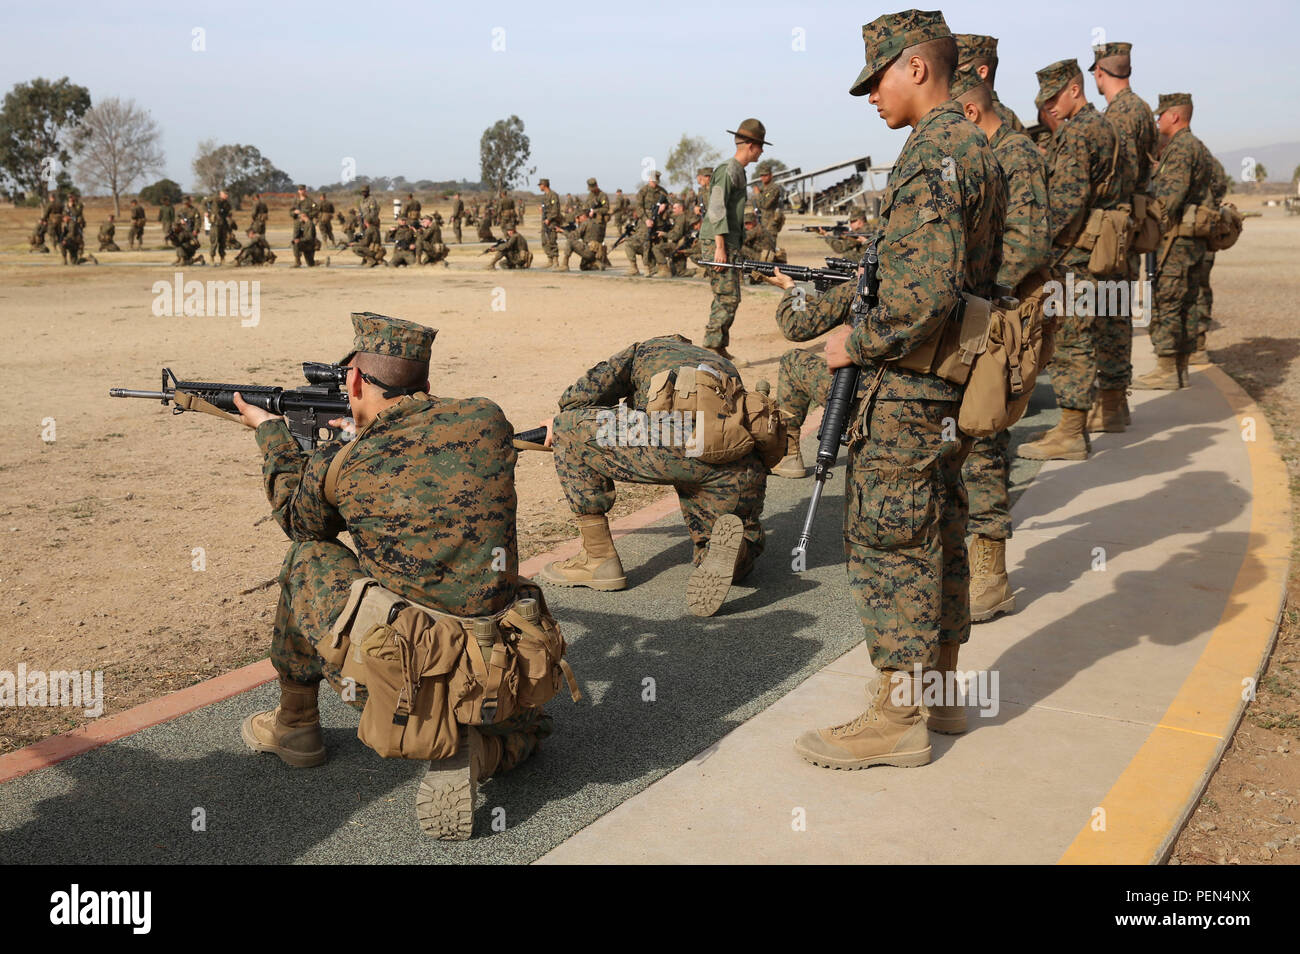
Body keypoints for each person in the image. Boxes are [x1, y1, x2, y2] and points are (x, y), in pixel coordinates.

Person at [232, 312, 552, 839]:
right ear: (425, 380)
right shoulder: (487, 419)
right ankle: (480, 750)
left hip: (402, 675)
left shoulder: (344, 463)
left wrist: (272, 434)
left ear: (354, 381)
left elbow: (299, 523)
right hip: (501, 666)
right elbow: (425, 458)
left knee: (307, 559)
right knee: (536, 726)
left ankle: (296, 727)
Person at [794, 10, 1004, 770]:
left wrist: (855, 341)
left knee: (892, 540)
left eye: (876, 79)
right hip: (948, 386)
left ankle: (899, 714)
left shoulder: (931, 155)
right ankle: (941, 692)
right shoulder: (972, 146)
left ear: (917, 68)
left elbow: (921, 299)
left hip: (912, 389)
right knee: (938, 529)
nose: (870, 97)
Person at [535, 334, 768, 617]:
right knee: (723, 541)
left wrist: (555, 426)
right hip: (738, 459)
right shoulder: (720, 363)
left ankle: (597, 559)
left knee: (566, 428)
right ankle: (737, 556)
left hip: (675, 442)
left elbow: (578, 399)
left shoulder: (642, 351)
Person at [952, 64, 1051, 623]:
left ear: (970, 111)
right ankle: (968, 561)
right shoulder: (984, 152)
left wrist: (982, 296)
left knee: (984, 434)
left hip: (999, 314)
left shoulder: (1014, 153)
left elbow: (1030, 244)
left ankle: (991, 574)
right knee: (965, 439)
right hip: (978, 309)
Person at [1017, 58, 1129, 461]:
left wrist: (1033, 250)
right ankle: (1110, 410)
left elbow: (1064, 203)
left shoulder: (1078, 133)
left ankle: (1070, 433)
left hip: (1077, 253)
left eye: (1053, 98)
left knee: (1071, 338)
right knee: (1102, 329)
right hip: (1102, 248)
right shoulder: (1107, 127)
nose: (1048, 108)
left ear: (1074, 89)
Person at [1088, 41, 1158, 431]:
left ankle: (1112, 406)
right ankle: (1114, 404)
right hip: (1128, 222)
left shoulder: (1122, 113)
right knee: (1113, 312)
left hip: (1116, 226)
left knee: (1109, 315)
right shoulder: (1143, 109)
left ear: (1100, 72)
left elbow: (1120, 172)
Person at [1133, 93, 1216, 390]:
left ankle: (1167, 368)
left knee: (1168, 301)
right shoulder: (1200, 148)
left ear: (1175, 116)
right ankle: (1179, 369)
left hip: (1177, 242)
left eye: (1161, 116)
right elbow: (1216, 184)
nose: (1157, 121)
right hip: (1192, 241)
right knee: (1186, 303)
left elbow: (1170, 198)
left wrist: (1143, 225)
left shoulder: (1181, 148)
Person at [700, 117, 769, 361]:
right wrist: (720, 247)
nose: (761, 151)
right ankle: (711, 348)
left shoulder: (737, 170)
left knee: (727, 295)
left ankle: (716, 346)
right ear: (751, 145)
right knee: (728, 295)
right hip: (718, 242)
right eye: (761, 146)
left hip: (726, 241)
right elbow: (716, 207)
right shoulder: (728, 169)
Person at [954, 33, 1025, 133]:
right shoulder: (1006, 115)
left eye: (957, 69)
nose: (952, 75)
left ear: (982, 72)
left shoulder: (992, 115)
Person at [538, 178, 562, 268]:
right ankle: (550, 260)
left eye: (540, 185)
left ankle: (556, 261)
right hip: (544, 221)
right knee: (544, 241)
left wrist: (549, 219)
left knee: (552, 240)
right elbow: (545, 208)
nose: (539, 187)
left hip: (552, 221)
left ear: (544, 185)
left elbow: (555, 210)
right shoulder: (544, 196)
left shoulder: (553, 195)